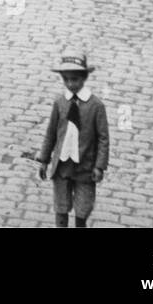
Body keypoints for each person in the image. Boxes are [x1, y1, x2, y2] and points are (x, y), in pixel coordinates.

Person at [36, 49, 109, 227]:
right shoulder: (60, 103)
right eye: (66, 79)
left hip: (85, 167)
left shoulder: (96, 106)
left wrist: (99, 166)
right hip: (62, 167)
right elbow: (51, 133)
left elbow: (103, 139)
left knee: (82, 209)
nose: (70, 84)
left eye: (75, 79)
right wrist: (44, 160)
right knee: (61, 208)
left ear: (84, 78)